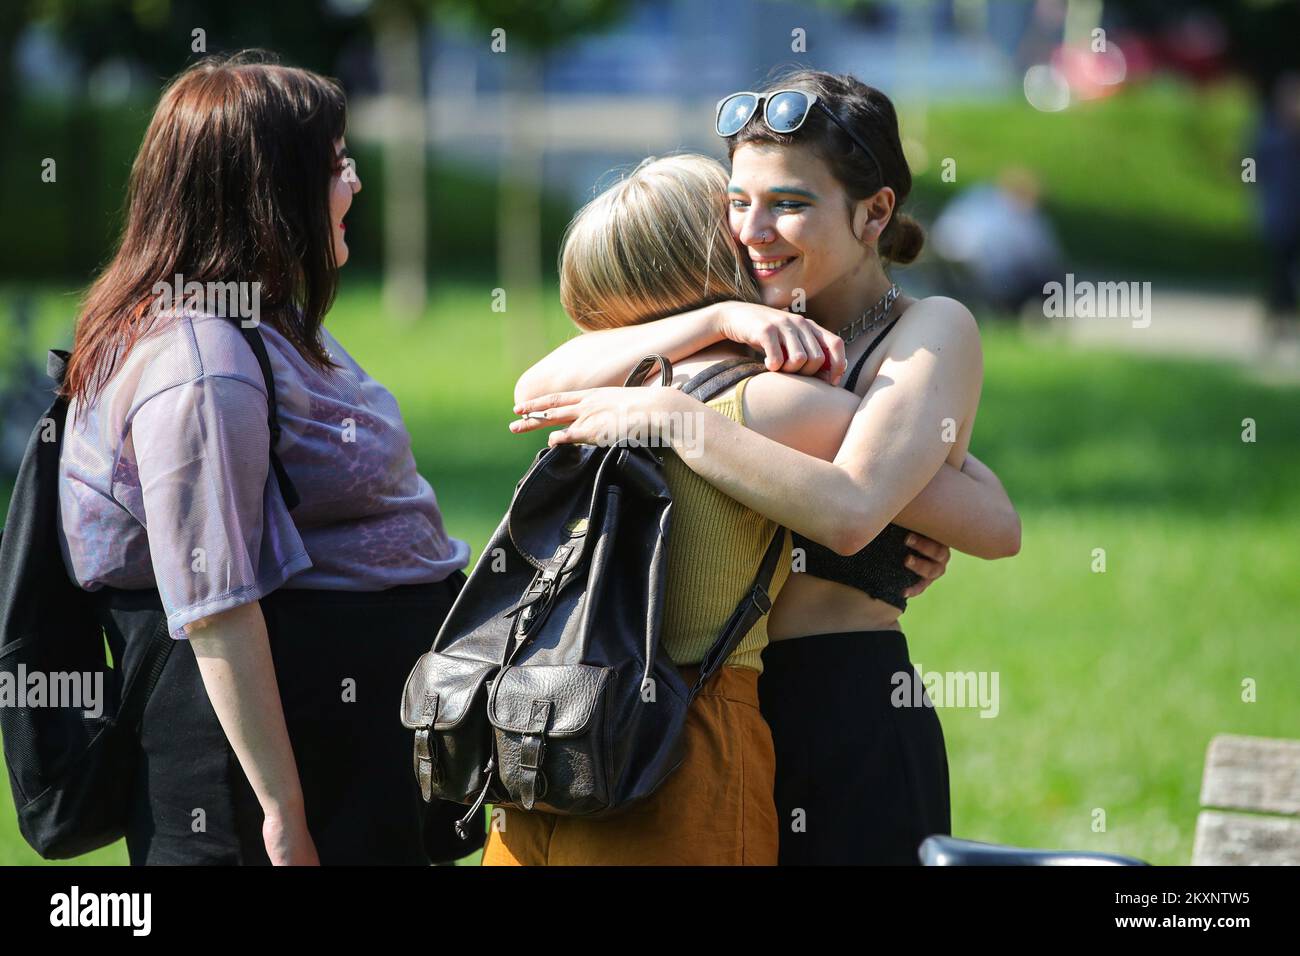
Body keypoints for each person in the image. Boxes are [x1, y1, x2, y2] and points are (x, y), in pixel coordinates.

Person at [513, 71, 1020, 864]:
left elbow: (857, 511)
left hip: (843, 707)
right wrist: (715, 316)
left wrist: (684, 421)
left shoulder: (931, 331)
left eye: (789, 203)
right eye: (738, 203)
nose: (755, 229)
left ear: (875, 212)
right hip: (709, 709)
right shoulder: (753, 329)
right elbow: (536, 387)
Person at [56, 51, 471, 865]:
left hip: (349, 766)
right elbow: (216, 605)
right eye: (335, 166)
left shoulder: (260, 316)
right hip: (269, 790)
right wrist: (283, 816)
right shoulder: (201, 365)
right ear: (267, 191)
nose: (354, 185)